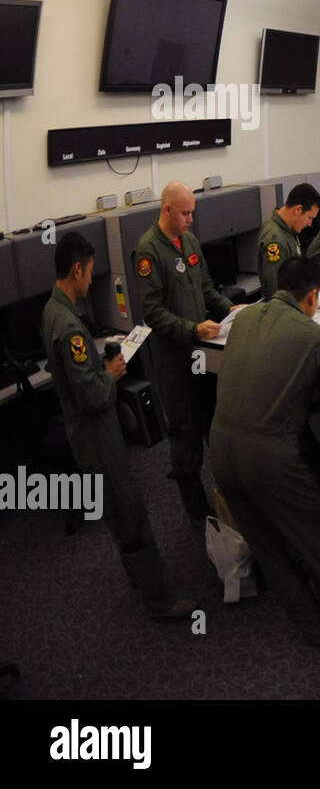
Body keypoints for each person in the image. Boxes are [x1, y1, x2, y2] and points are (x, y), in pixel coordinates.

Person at [210, 256, 320, 646]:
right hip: (272, 460)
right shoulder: (315, 338)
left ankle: (308, 625)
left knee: (268, 549)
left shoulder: (244, 319)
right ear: (312, 297)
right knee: (316, 540)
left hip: (220, 450)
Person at [41, 232, 197, 620]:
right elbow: (93, 395)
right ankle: (160, 601)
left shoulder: (52, 311)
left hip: (84, 434)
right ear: (77, 269)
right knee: (129, 512)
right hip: (96, 434)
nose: (91, 279)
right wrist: (110, 373)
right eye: (90, 272)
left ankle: (138, 577)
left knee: (115, 510)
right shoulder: (71, 328)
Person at [132, 181, 239, 525]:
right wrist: (191, 329)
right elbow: (153, 313)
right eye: (185, 213)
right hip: (175, 360)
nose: (191, 219)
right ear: (167, 210)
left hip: (203, 355)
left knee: (213, 422)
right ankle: (196, 512)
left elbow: (207, 289)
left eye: (192, 212)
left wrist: (233, 311)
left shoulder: (190, 241)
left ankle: (228, 498)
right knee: (185, 433)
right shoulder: (148, 251)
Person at [258, 182, 320, 298]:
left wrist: (312, 281)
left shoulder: (288, 228)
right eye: (309, 218)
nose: (310, 224)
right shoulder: (275, 240)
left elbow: (292, 275)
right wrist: (309, 288)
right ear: (298, 209)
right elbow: (276, 291)